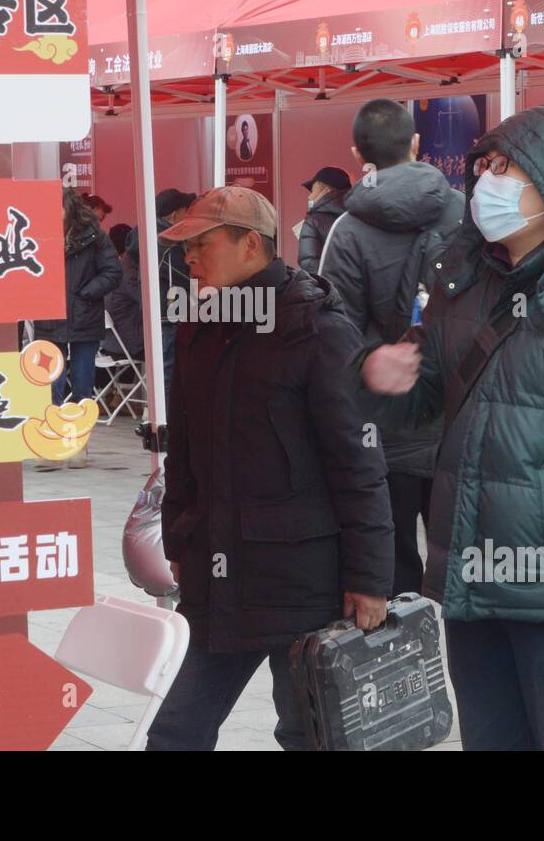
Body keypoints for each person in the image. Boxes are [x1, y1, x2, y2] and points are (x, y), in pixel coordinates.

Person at [357, 103, 544, 750]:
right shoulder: (464, 284)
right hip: (472, 580)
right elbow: (424, 405)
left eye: (505, 166)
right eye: (484, 165)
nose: (486, 181)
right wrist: (379, 379)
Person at [149, 186, 393, 751]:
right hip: (218, 573)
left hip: (303, 580)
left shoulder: (319, 328)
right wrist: (179, 541)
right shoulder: (198, 326)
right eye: (183, 247)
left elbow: (359, 464)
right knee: (174, 732)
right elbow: (184, 452)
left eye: (200, 245)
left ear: (251, 245)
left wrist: (370, 579)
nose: (188, 259)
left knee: (308, 732)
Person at [318, 99, 464, 597]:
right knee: (462, 567)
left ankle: (405, 668)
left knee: (391, 568)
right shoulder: (467, 213)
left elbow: (337, 336)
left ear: (358, 152)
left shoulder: (348, 230)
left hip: (385, 428)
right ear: (417, 144)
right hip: (458, 420)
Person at [33, 188, 122, 469]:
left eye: (57, 208)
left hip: (84, 319)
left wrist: (85, 294)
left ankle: (78, 444)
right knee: (50, 386)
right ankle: (50, 444)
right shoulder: (37, 236)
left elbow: (113, 272)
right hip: (49, 320)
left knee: (83, 385)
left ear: (70, 208)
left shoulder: (94, 237)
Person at [125, 188, 196, 395]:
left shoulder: (148, 237)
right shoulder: (162, 242)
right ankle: (167, 420)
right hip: (169, 312)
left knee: (166, 368)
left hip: (163, 311)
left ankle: (163, 415)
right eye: (186, 211)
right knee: (168, 370)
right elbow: (185, 273)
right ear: (175, 214)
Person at [296, 165, 351, 272]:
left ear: (326, 191)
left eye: (312, 191)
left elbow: (309, 264)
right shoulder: (361, 215)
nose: (309, 197)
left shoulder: (313, 221)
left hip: (328, 287)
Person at [103, 223, 143, 361]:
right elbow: (148, 301)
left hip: (110, 342)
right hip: (128, 344)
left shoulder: (115, 268)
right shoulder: (129, 272)